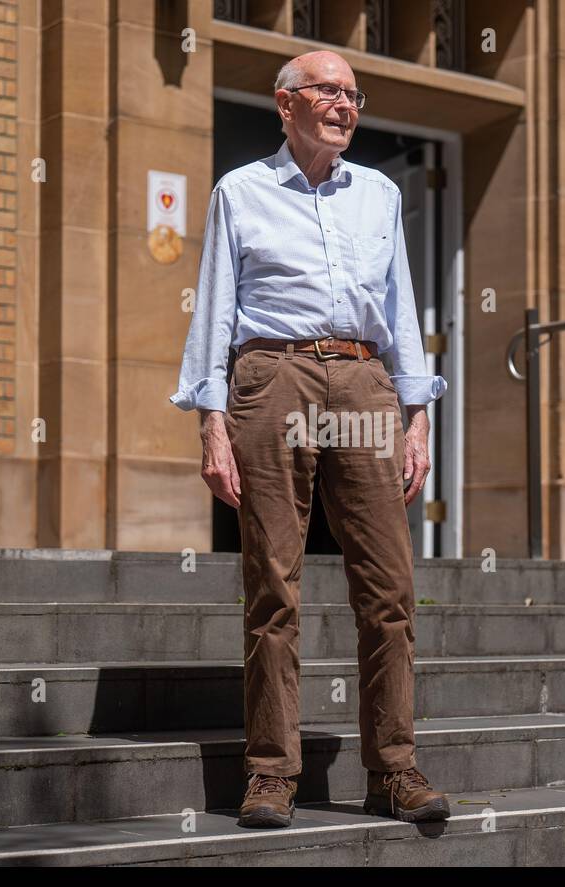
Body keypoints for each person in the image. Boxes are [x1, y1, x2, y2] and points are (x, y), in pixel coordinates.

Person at [170, 50, 449, 828]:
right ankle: (270, 774)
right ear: (285, 102)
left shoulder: (382, 194)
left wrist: (417, 411)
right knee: (274, 586)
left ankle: (394, 770)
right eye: (330, 90)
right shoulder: (242, 191)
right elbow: (216, 310)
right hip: (272, 378)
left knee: (389, 588)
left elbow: (400, 308)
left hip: (364, 381)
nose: (346, 104)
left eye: (355, 95)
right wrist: (211, 422)